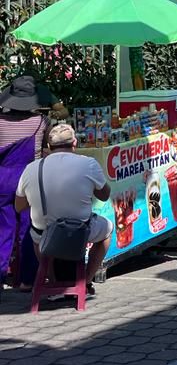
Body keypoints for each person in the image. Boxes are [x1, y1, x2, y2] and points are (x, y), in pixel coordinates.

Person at [14, 122, 113, 294]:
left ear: (49, 147)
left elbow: (19, 206)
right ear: (74, 143)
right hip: (80, 232)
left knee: (36, 234)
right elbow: (104, 195)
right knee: (107, 229)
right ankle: (87, 280)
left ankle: (53, 280)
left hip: (44, 233)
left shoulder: (31, 168)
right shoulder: (88, 163)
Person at [0, 76, 56, 290]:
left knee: (2, 230)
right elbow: (45, 147)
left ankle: (1, 276)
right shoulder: (41, 121)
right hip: (28, 178)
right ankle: (26, 279)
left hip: (2, 179)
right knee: (27, 229)